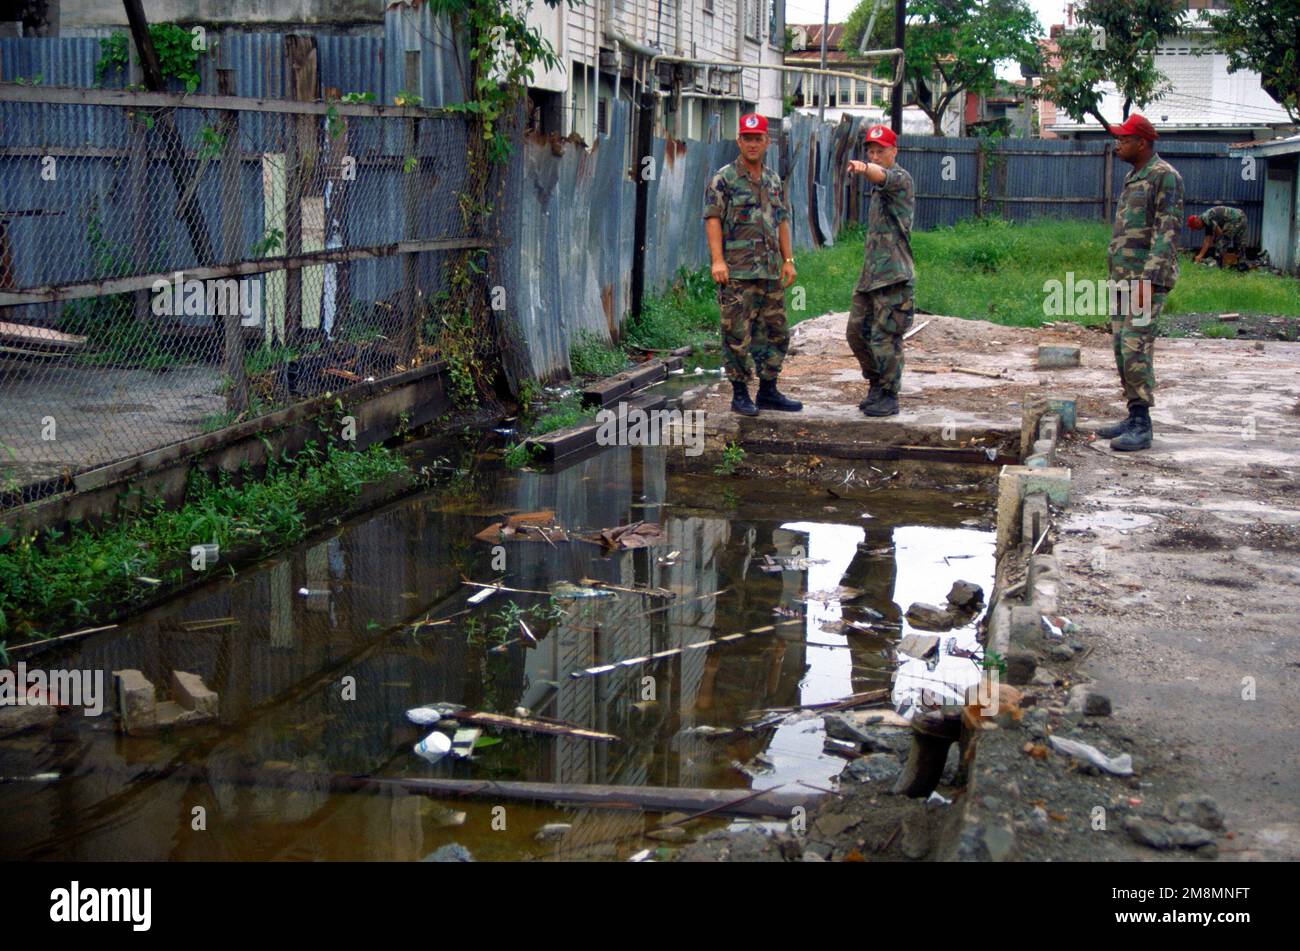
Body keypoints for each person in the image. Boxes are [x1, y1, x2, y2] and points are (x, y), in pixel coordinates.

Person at [703, 113, 801, 416]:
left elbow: (782, 221)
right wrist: (717, 260)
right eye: (747, 138)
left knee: (776, 332)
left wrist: (788, 260)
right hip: (737, 272)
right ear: (739, 141)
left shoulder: (773, 180)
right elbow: (712, 219)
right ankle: (740, 393)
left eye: (758, 138)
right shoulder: (724, 179)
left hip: (770, 272)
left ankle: (768, 391)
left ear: (766, 141)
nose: (753, 143)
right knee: (737, 334)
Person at [1096, 113, 1183, 453]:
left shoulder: (1164, 177)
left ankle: (1143, 426)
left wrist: (1148, 278)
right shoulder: (1134, 176)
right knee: (1121, 348)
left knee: (1135, 347)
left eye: (1124, 139)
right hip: (1123, 279)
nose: (1117, 144)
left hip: (1146, 281)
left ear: (1142, 143)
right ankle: (1133, 415)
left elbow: (1168, 231)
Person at [845, 124, 914, 417]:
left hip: (894, 275)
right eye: (870, 151)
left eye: (880, 151)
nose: (874, 156)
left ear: (893, 152)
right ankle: (875, 383)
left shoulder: (899, 179)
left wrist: (863, 168)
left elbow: (880, 175)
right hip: (871, 275)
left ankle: (889, 393)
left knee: (885, 336)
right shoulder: (877, 188)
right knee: (856, 332)